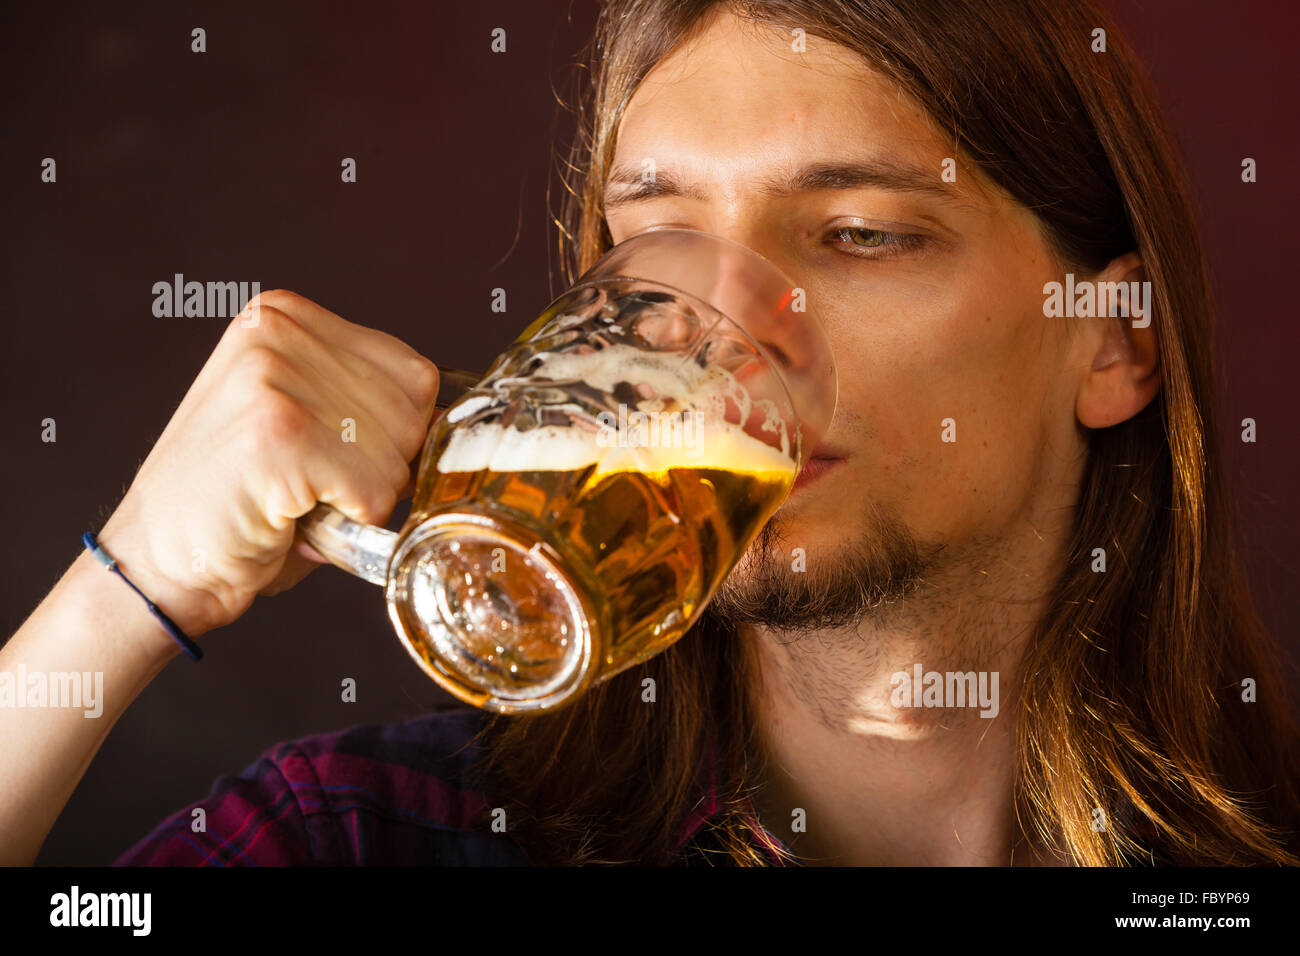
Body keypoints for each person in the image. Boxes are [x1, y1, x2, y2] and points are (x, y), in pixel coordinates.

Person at [4, 0, 1298, 867]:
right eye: (658, 242)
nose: (724, 324)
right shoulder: (373, 836)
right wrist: (123, 596)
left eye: (858, 235)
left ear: (1114, 337)